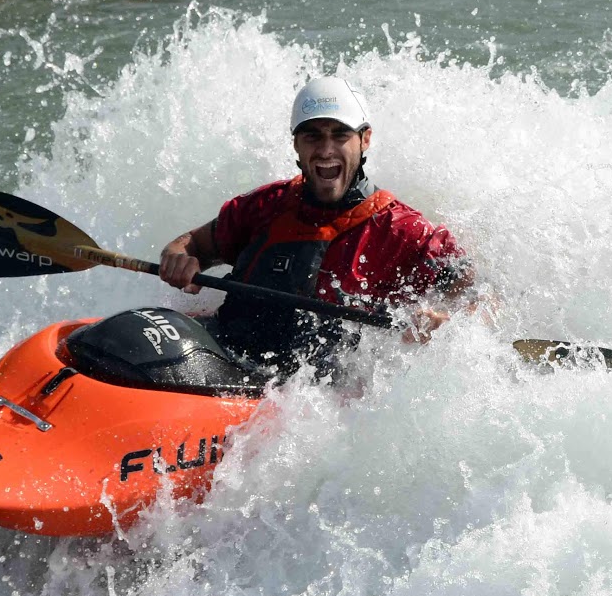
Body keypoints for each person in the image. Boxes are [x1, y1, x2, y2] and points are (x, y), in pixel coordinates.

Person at [158, 76, 475, 374]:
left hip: (312, 393)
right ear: (296, 143)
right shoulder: (264, 206)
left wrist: (439, 320)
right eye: (313, 136)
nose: (325, 150)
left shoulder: (404, 231)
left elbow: (475, 297)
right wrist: (179, 256)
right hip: (225, 357)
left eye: (340, 135)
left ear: (364, 140)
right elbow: (192, 244)